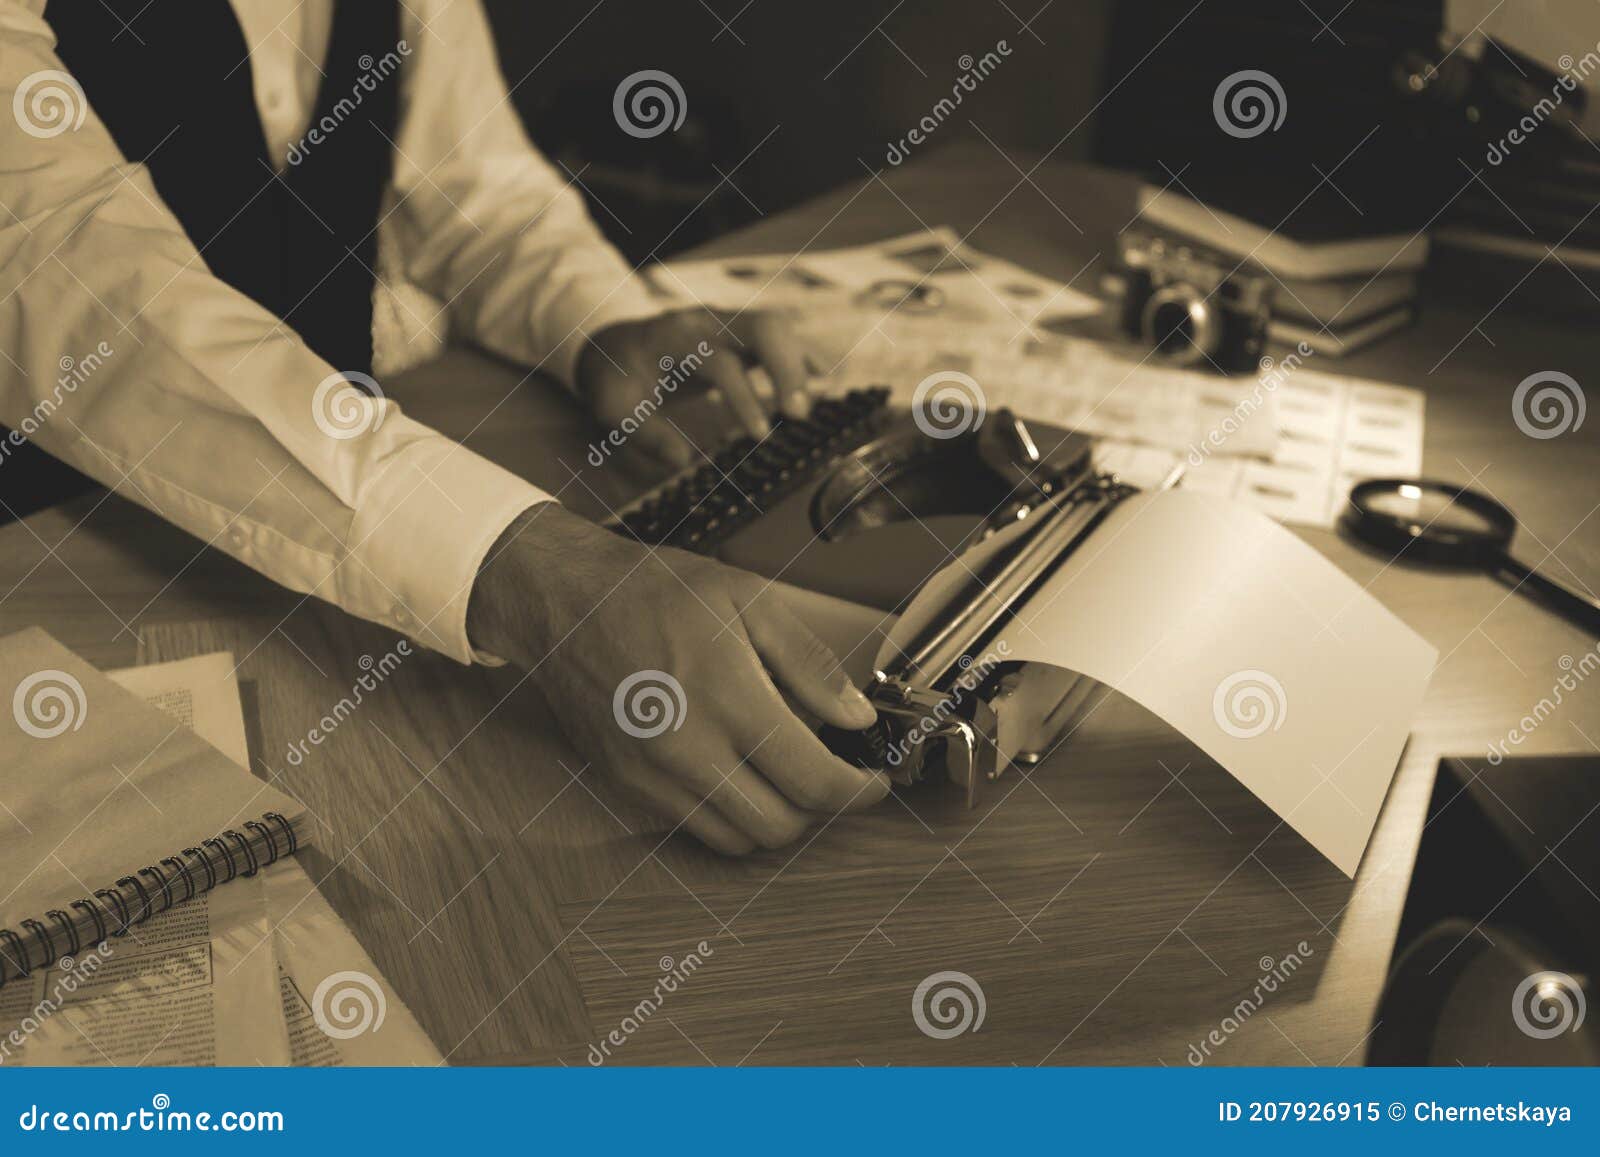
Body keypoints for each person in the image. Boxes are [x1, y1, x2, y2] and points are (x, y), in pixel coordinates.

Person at [0, 0, 888, 854]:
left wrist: (599, 321)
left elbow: (468, 188)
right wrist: (526, 571)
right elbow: (55, 253)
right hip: (50, 580)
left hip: (328, 597)